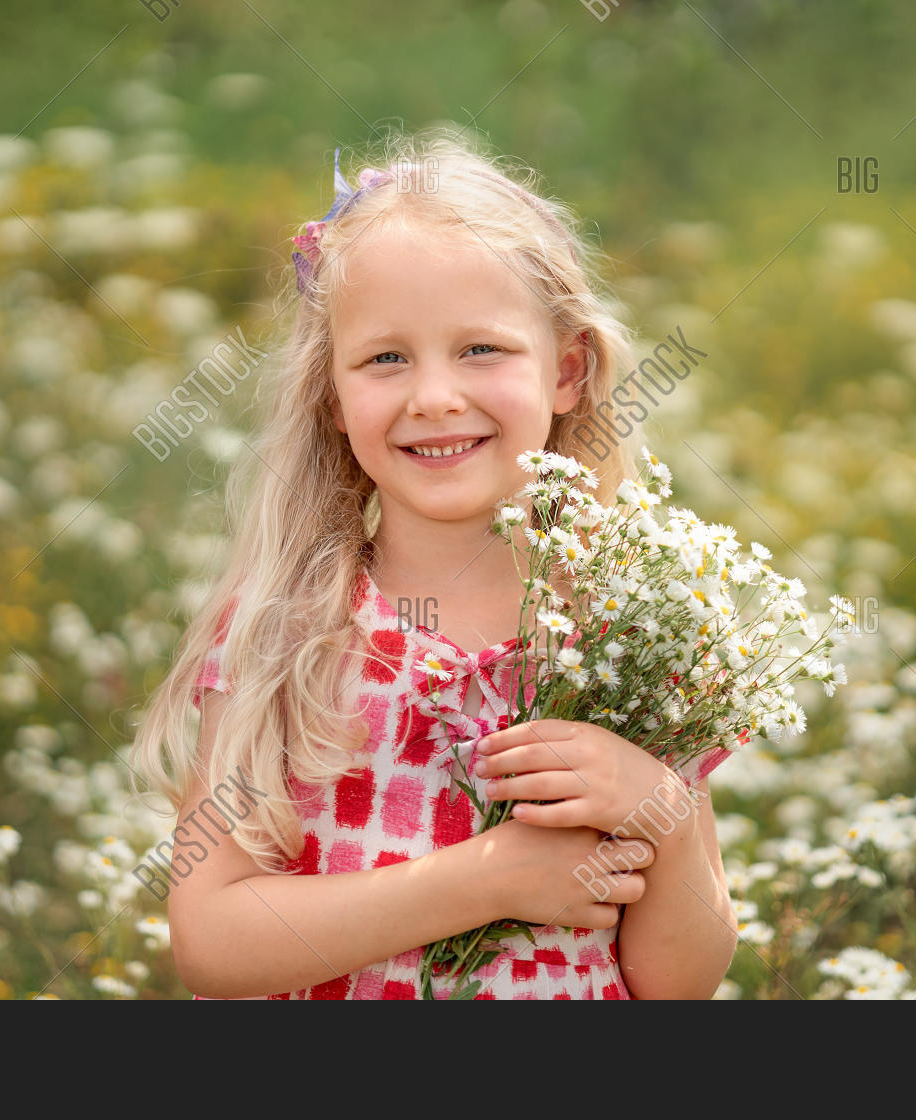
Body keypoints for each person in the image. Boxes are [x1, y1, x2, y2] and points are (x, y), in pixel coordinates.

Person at [130, 130, 738, 999]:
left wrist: (665, 816)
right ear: (333, 399)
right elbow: (212, 943)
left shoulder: (627, 634)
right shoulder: (294, 629)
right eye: (385, 359)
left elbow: (681, 984)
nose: (434, 397)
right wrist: (487, 879)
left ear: (567, 371)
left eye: (481, 349)